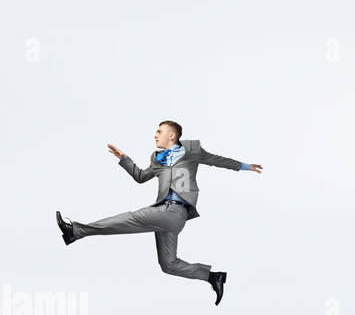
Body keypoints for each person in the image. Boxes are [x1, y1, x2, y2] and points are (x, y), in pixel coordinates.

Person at [56, 120, 261, 305]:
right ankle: (212, 277)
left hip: (175, 212)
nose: (155, 135)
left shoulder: (192, 150)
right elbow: (140, 176)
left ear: (171, 135)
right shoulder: (157, 159)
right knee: (168, 264)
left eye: (159, 131)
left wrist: (245, 166)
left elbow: (217, 160)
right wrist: (124, 159)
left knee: (131, 218)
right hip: (164, 214)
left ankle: (76, 231)